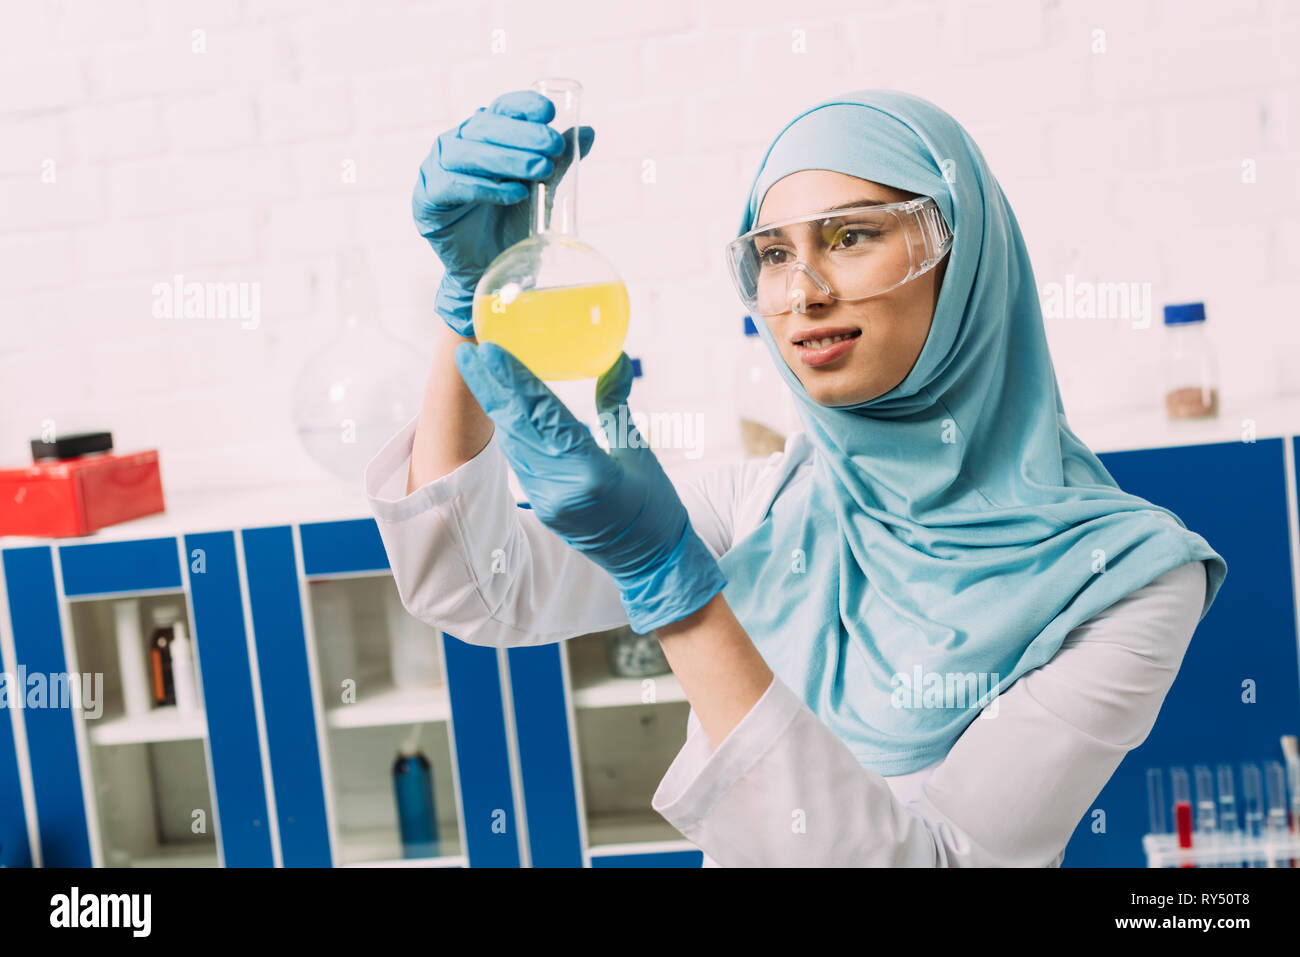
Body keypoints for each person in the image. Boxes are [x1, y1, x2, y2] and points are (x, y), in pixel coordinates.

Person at [365, 88, 1227, 867]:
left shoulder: (1130, 579)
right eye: (773, 254)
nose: (802, 292)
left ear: (962, 261)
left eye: (852, 236)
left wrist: (676, 588)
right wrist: (468, 299)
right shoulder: (767, 505)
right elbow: (484, 592)